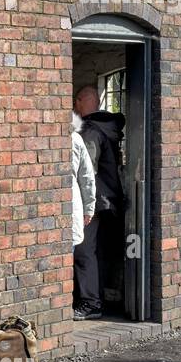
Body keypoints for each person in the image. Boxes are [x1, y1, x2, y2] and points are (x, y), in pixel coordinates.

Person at [73, 85, 125, 319]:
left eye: (76, 102)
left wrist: (85, 205)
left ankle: (90, 302)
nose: (74, 107)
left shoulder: (91, 131)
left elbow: (86, 171)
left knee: (84, 251)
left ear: (82, 101)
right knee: (96, 251)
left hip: (95, 201)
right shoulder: (108, 127)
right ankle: (97, 296)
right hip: (108, 200)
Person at [71, 113, 96, 317]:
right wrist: (89, 207)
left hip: (70, 208)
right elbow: (87, 177)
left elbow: (86, 177)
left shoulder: (74, 139)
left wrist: (89, 207)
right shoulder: (76, 138)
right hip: (72, 208)